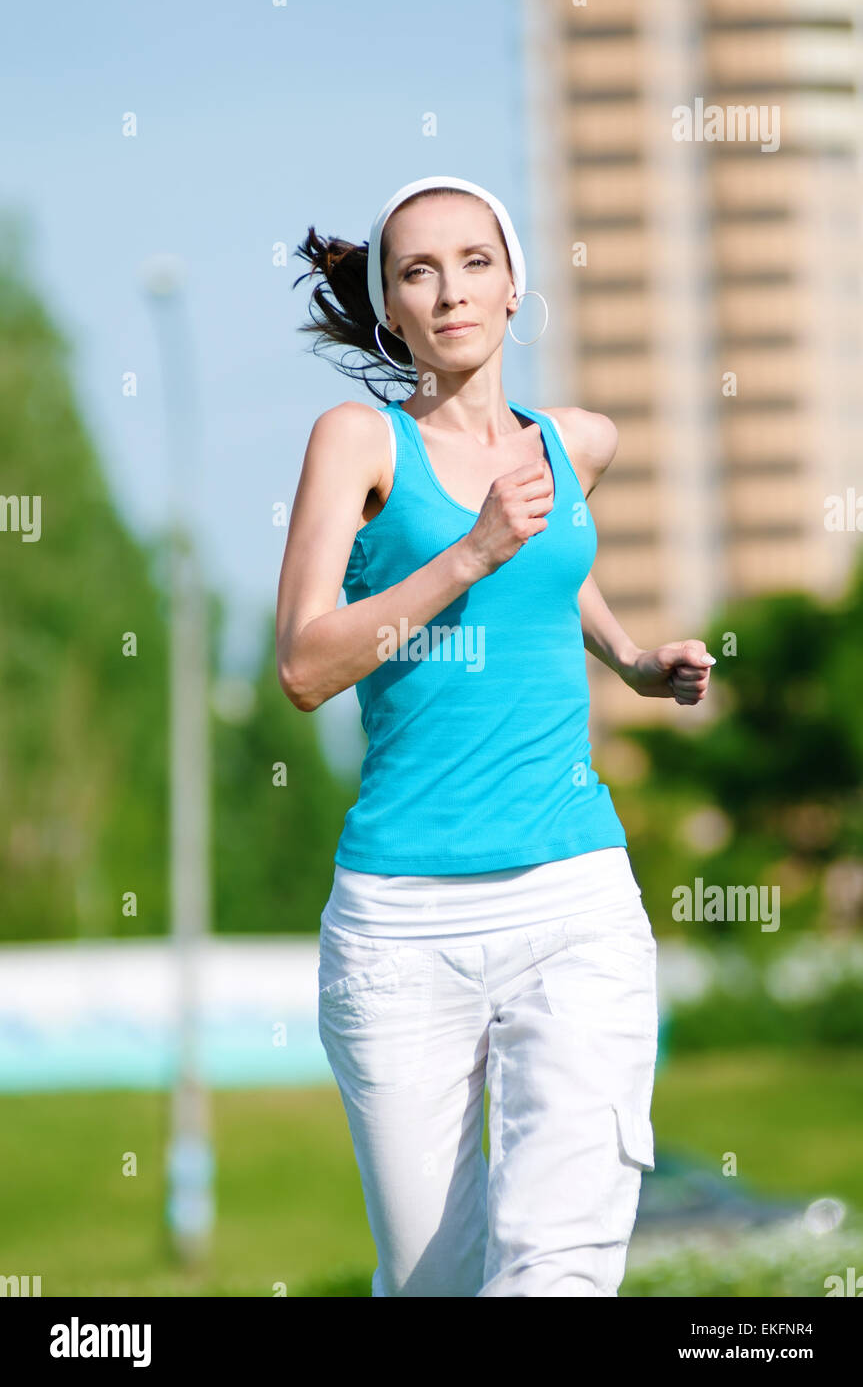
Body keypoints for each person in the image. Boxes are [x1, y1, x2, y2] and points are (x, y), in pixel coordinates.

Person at [276, 174, 714, 1297]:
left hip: (574, 898)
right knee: (434, 1279)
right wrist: (465, 552)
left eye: (474, 261)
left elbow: (554, 565)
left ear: (514, 285)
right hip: (399, 926)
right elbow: (304, 663)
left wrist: (627, 657)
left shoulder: (577, 443)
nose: (450, 290)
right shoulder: (357, 441)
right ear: (390, 308)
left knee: (556, 1267)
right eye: (416, 271)